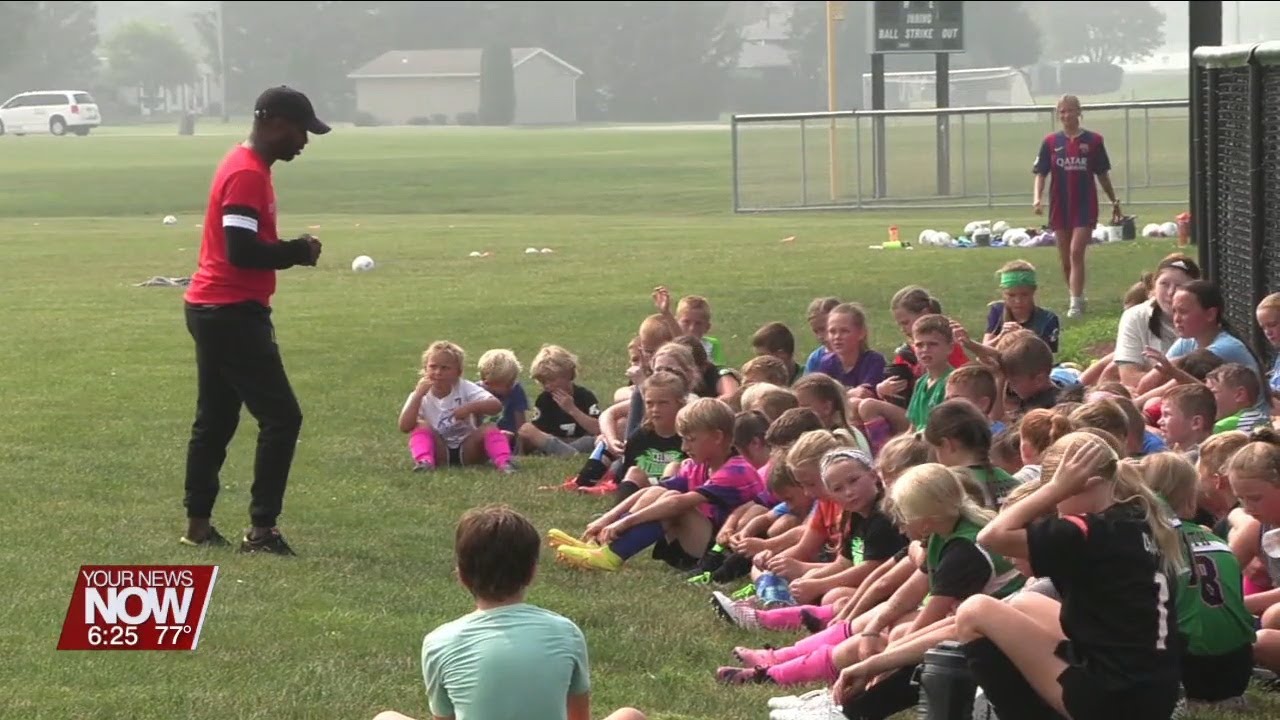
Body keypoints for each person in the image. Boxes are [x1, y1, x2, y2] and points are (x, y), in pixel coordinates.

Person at [179, 86, 330, 555]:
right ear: (275, 123)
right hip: (230, 311)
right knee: (282, 418)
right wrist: (297, 251)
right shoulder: (246, 174)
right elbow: (240, 251)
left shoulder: (247, 167)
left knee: (217, 419)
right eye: (301, 131)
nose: (304, 141)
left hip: (212, 307)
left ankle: (199, 526)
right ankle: (262, 531)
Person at [371, 505, 646, 720]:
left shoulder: (439, 642)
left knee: (385, 717)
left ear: (462, 576)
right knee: (630, 715)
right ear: (532, 572)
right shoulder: (566, 631)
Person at [1032, 94, 1123, 320]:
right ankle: (1077, 295)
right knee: (1065, 259)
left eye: (1069, 110)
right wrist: (1037, 198)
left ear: (1079, 112)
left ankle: (1075, 305)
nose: (1065, 115)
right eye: (1061, 111)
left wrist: (1113, 200)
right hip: (1060, 204)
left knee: (1076, 252)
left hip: (1084, 204)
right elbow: (1041, 173)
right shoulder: (1051, 142)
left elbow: (1102, 174)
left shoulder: (1093, 141)